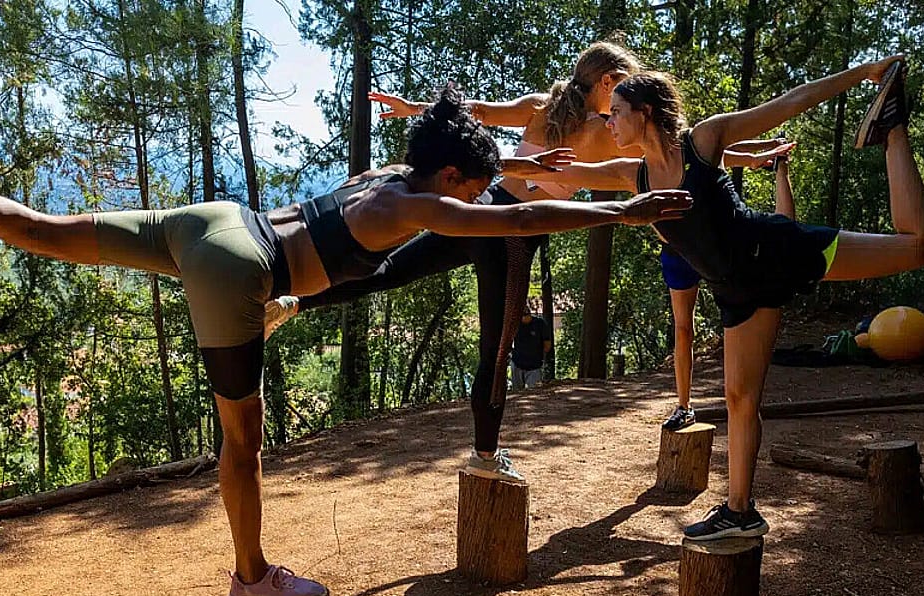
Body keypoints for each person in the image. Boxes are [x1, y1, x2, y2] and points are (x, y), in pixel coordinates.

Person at [0, 84, 691, 596]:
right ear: (450, 176)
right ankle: (251, 577)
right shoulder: (422, 203)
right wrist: (632, 204)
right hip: (243, 271)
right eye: (477, 184)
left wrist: (520, 161)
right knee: (239, 444)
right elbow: (531, 218)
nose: (483, 197)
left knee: (40, 226)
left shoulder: (386, 176)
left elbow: (487, 171)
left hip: (214, 219)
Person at [521, 57, 924, 541]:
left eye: (615, 112)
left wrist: (862, 73)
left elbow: (790, 102)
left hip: (778, 252)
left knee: (920, 247)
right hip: (737, 293)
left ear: (647, 112)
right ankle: (741, 512)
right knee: (740, 399)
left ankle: (893, 130)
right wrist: (505, 174)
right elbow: (566, 178)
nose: (608, 122)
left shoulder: (703, 141)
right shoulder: (630, 175)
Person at [265, 42, 645, 483]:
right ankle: (486, 457)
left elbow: (476, 111)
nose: (623, 104)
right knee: (496, 354)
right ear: (608, 82)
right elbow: (661, 152)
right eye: (623, 89)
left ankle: (294, 302)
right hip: (512, 238)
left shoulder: (544, 105)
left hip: (475, 211)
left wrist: (415, 110)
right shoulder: (607, 133)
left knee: (388, 271)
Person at [660, 139, 798, 432]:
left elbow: (723, 148)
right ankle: (684, 406)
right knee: (683, 328)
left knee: (739, 310)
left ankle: (744, 396)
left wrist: (761, 154)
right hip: (678, 251)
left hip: (715, 245)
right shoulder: (640, 160)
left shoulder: (688, 144)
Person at [510, 299, 552, 390]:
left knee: (535, 392)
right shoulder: (515, 325)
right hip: (517, 364)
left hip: (534, 366)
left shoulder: (539, 324)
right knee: (517, 392)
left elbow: (547, 344)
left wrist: (540, 356)